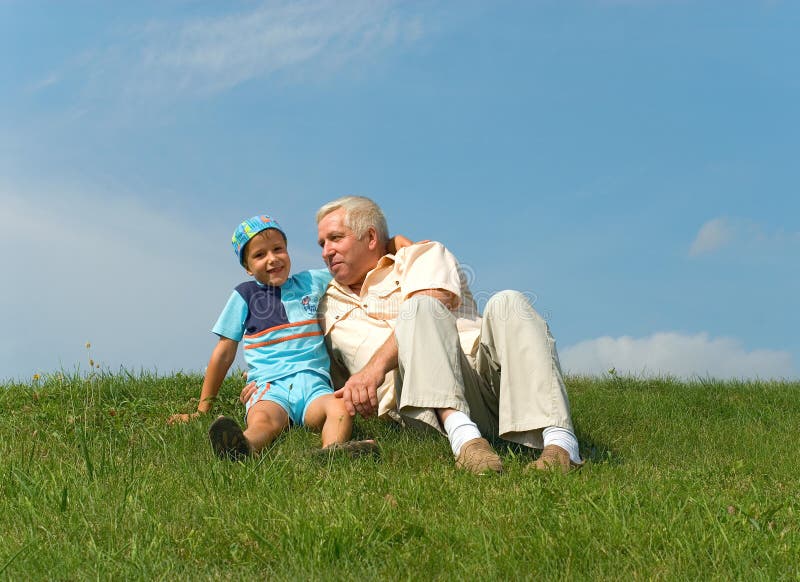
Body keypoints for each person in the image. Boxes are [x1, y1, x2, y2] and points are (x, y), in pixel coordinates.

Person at [310, 195, 584, 474]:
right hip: (421, 404)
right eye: (322, 244)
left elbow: (433, 301)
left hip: (489, 379)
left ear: (370, 237)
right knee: (419, 308)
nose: (326, 252)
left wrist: (373, 369)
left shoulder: (422, 256)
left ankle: (561, 446)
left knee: (508, 302)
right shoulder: (322, 303)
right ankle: (467, 442)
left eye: (335, 238)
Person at [168, 214, 376, 461]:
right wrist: (203, 409)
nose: (272, 259)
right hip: (270, 387)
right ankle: (243, 447)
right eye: (259, 255)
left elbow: (359, 264)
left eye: (278, 249)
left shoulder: (311, 281)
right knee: (264, 420)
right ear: (247, 267)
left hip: (314, 386)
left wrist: (395, 243)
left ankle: (331, 452)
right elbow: (224, 353)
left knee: (340, 407)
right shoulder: (245, 295)